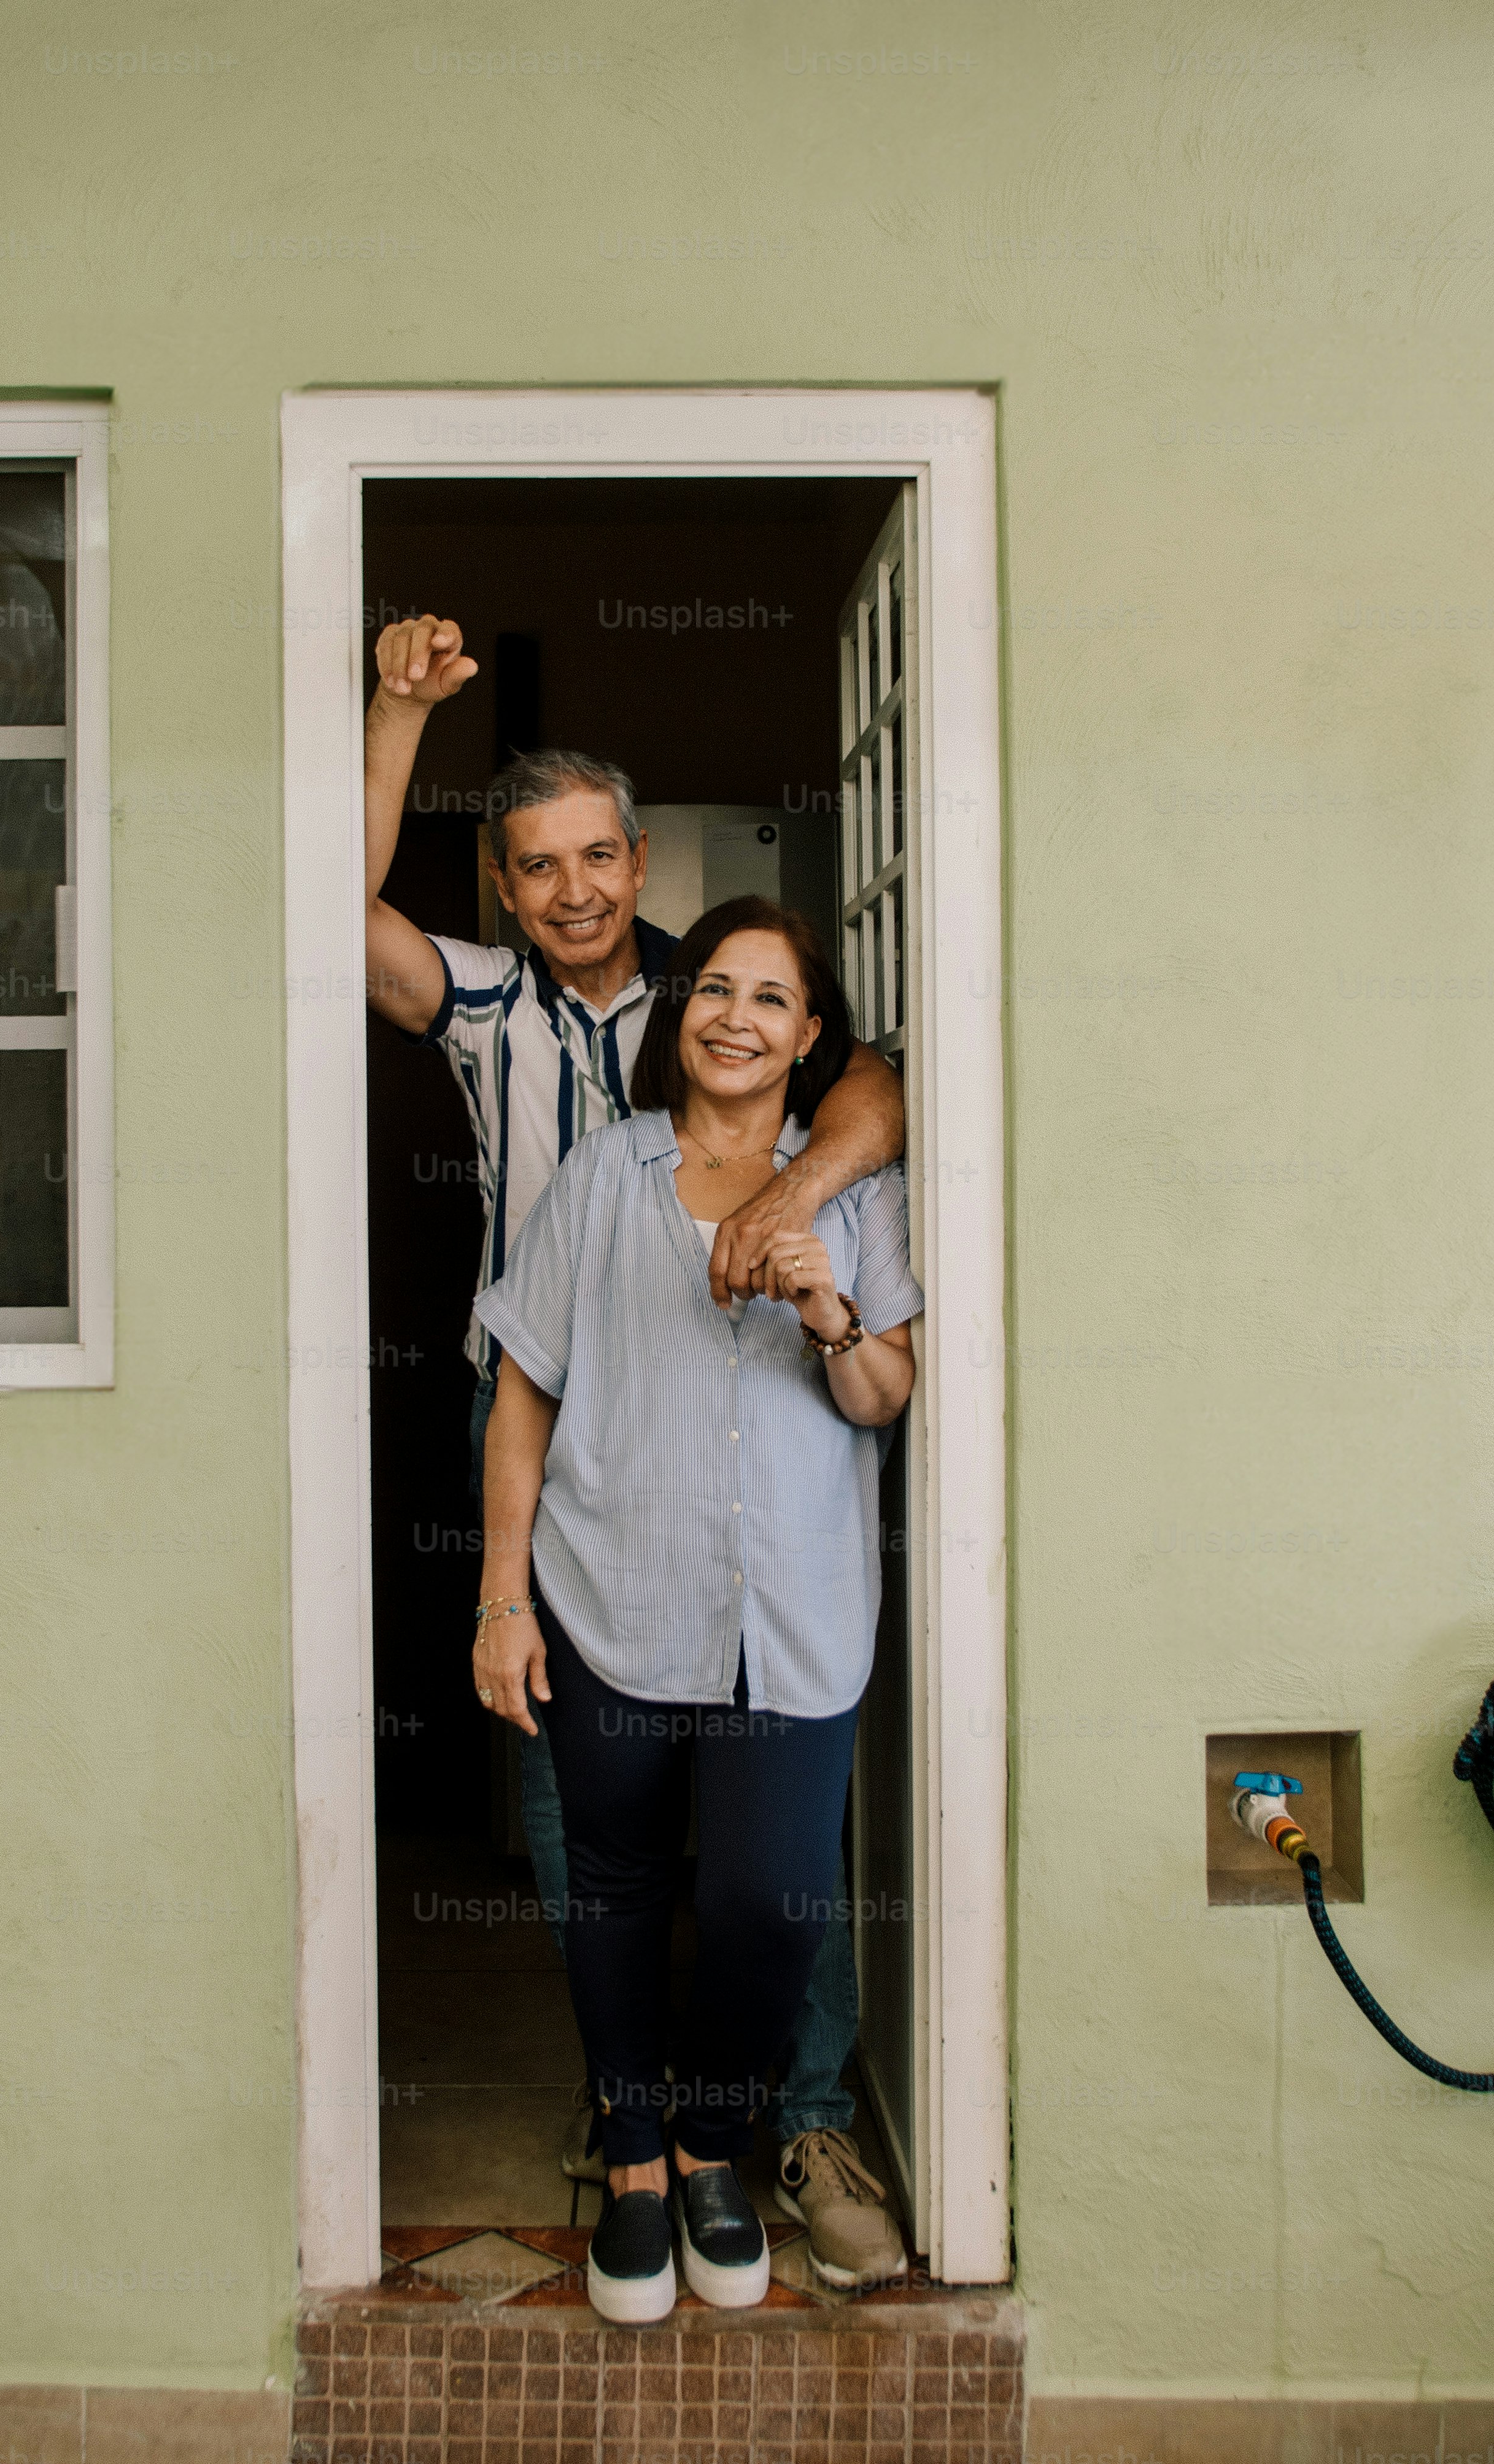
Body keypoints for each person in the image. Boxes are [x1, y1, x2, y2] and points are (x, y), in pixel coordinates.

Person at [360, 615, 909, 2288]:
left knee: (769, 1840)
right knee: (579, 1814)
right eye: (538, 868)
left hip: (760, 1426)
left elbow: (870, 1079)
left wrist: (799, 1207)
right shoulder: (472, 1003)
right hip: (545, 1400)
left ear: (639, 858)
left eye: (600, 855)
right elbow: (312, 914)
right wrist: (390, 713)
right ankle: (629, 2119)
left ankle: (782, 2117)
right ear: (501, 883)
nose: (576, 890)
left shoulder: (715, 985)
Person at [470, 897, 919, 2322]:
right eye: (712, 987)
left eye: (769, 998)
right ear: (686, 1015)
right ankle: (636, 2156)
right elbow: (522, 1390)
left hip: (794, 1615)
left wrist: (830, 1312)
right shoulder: (603, 1176)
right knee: (610, 1889)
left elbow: (883, 1396)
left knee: (762, 1901)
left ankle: (717, 2135)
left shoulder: (851, 1190)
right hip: (611, 1598)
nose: (733, 1015)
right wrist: (500, 1597)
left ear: (809, 1037)